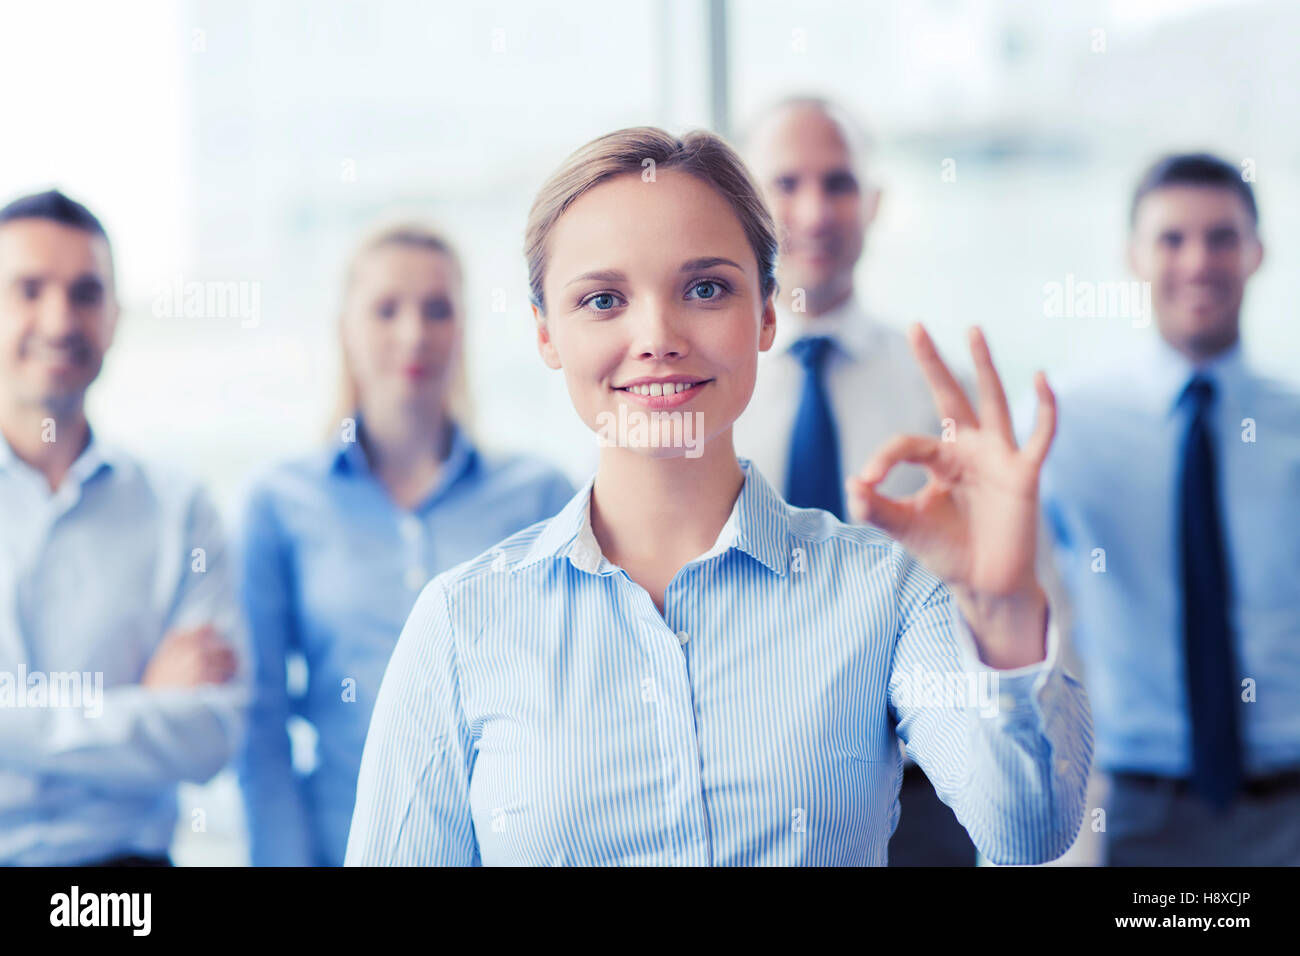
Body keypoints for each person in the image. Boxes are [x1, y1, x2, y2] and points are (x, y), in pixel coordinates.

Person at [344, 127, 1092, 866]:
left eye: (704, 289)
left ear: (768, 312)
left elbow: (1024, 832)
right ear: (547, 334)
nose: (658, 336)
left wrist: (1002, 613)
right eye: (603, 300)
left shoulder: (885, 589)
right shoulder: (459, 624)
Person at [236, 222, 575, 866]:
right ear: (345, 327)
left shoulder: (539, 494)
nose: (414, 333)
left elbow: (569, 695)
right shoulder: (278, 503)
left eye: (437, 309)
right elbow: (260, 725)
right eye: (387, 309)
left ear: (463, 328)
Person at [1019, 153, 1300, 865]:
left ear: (1257, 253)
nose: (1198, 261)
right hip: (1134, 812)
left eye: (1222, 237)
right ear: (1134, 257)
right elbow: (1009, 601)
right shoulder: (1067, 427)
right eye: (1172, 239)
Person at [735, 95, 976, 865]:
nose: (813, 209)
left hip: (922, 800)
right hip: (743, 797)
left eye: (837, 183)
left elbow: (1016, 594)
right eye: (786, 182)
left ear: (873, 203)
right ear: (743, 199)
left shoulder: (941, 394)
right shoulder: (689, 394)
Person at [0, 190, 248, 866]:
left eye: (85, 293)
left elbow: (213, 734)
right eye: (29, 289)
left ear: (112, 319)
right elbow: (173, 730)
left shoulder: (180, 509)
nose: (59, 319)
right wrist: (139, 708)